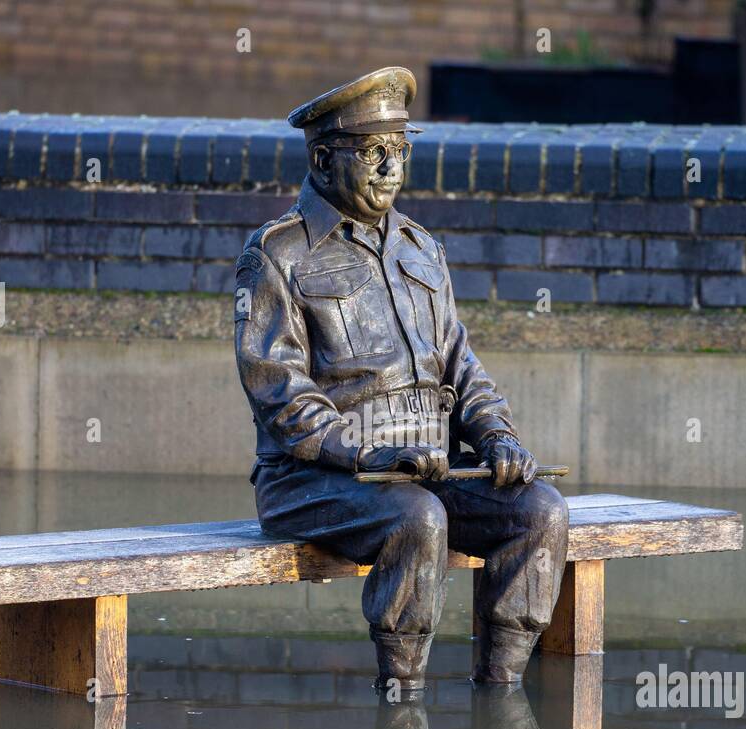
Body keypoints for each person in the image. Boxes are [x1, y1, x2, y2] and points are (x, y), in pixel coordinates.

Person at [234, 67, 568, 691]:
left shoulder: (421, 248)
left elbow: (461, 366)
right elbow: (278, 391)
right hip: (313, 481)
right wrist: (368, 453)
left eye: (400, 152)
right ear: (323, 157)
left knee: (539, 510)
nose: (391, 168)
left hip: (430, 471)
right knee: (416, 520)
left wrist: (497, 437)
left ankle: (501, 696)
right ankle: (403, 705)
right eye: (373, 153)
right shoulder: (276, 254)